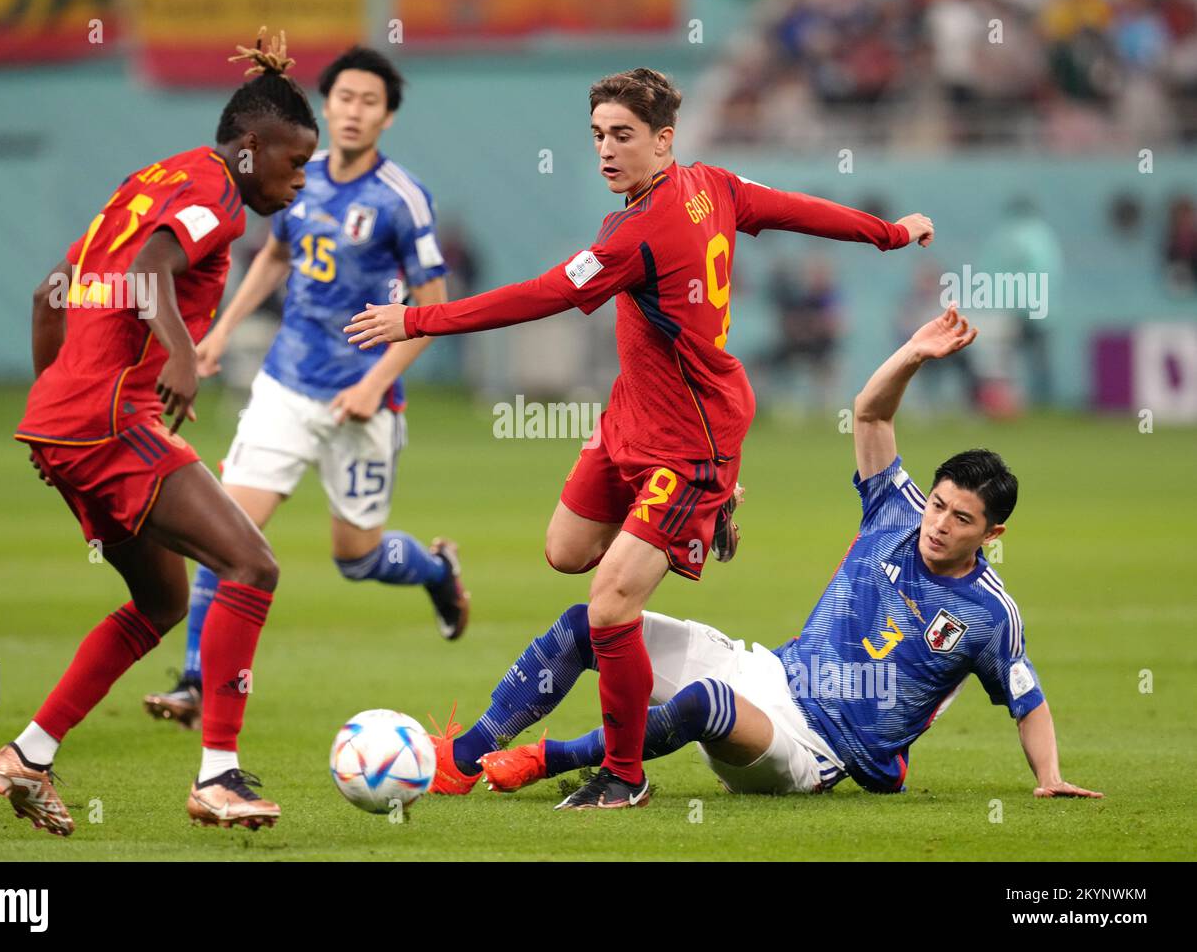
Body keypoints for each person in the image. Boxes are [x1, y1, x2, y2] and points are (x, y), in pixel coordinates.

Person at [347, 67, 934, 809]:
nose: (605, 150)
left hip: (691, 440)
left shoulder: (638, 231)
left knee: (611, 604)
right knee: (565, 551)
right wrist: (886, 233)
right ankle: (702, 513)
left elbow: (544, 295)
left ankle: (621, 774)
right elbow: (793, 210)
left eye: (622, 135)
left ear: (663, 140)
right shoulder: (711, 185)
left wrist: (417, 319)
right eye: (596, 135)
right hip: (631, 419)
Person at [471, 306, 1101, 804]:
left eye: (961, 519)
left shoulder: (991, 613)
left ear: (990, 535)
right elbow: (870, 414)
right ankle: (468, 753)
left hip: (813, 748)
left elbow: (1028, 699)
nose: (937, 524)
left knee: (702, 703)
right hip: (772, 675)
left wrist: (1047, 775)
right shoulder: (895, 513)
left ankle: (560, 761)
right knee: (590, 625)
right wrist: (913, 354)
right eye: (938, 504)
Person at [0, 29, 319, 835]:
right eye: (293, 163)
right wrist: (178, 351)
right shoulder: (217, 197)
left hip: (70, 420)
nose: (299, 183)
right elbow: (149, 273)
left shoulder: (148, 182)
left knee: (162, 600)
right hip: (108, 416)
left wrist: (50, 415)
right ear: (250, 148)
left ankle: (28, 754)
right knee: (252, 563)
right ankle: (218, 777)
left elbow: (48, 296)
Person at [143, 46, 467, 730]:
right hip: (287, 385)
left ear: (387, 117)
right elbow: (277, 255)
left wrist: (375, 383)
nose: (353, 110)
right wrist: (223, 330)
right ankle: (196, 681)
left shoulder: (402, 200)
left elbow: (432, 311)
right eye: (344, 97)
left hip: (361, 403)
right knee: (227, 529)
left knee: (358, 558)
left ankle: (437, 571)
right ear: (326, 105)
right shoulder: (300, 176)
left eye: (369, 101)